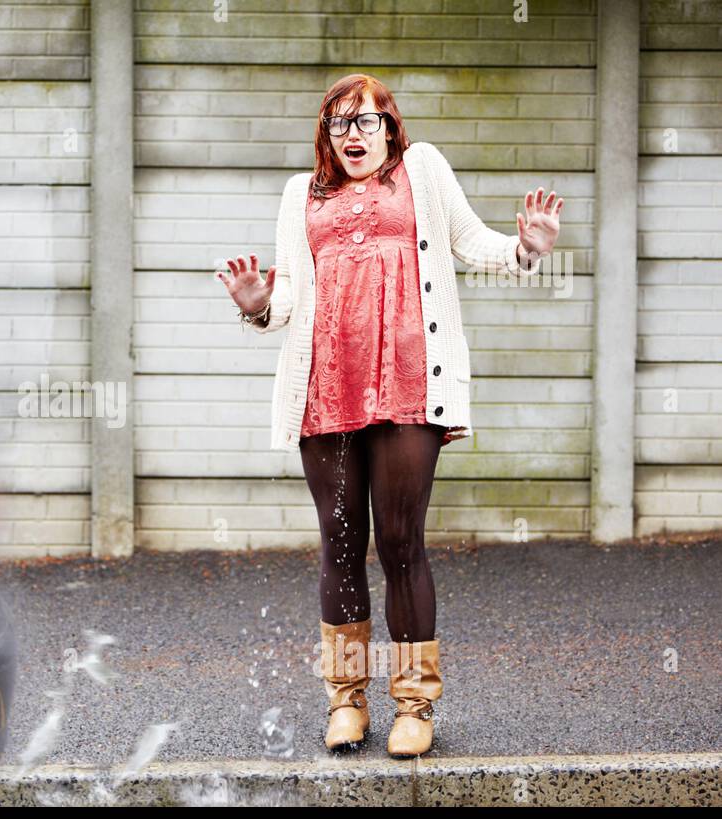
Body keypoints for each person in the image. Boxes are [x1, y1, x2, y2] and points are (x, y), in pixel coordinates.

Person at [216, 74, 563, 757]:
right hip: (327, 390)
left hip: (410, 388)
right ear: (326, 132)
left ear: (390, 127)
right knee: (340, 544)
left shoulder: (423, 171)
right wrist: (256, 301)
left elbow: (475, 244)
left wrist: (527, 248)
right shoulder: (301, 194)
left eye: (367, 123)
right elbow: (285, 302)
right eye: (340, 124)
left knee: (400, 542)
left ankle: (414, 704)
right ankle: (346, 701)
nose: (354, 136)